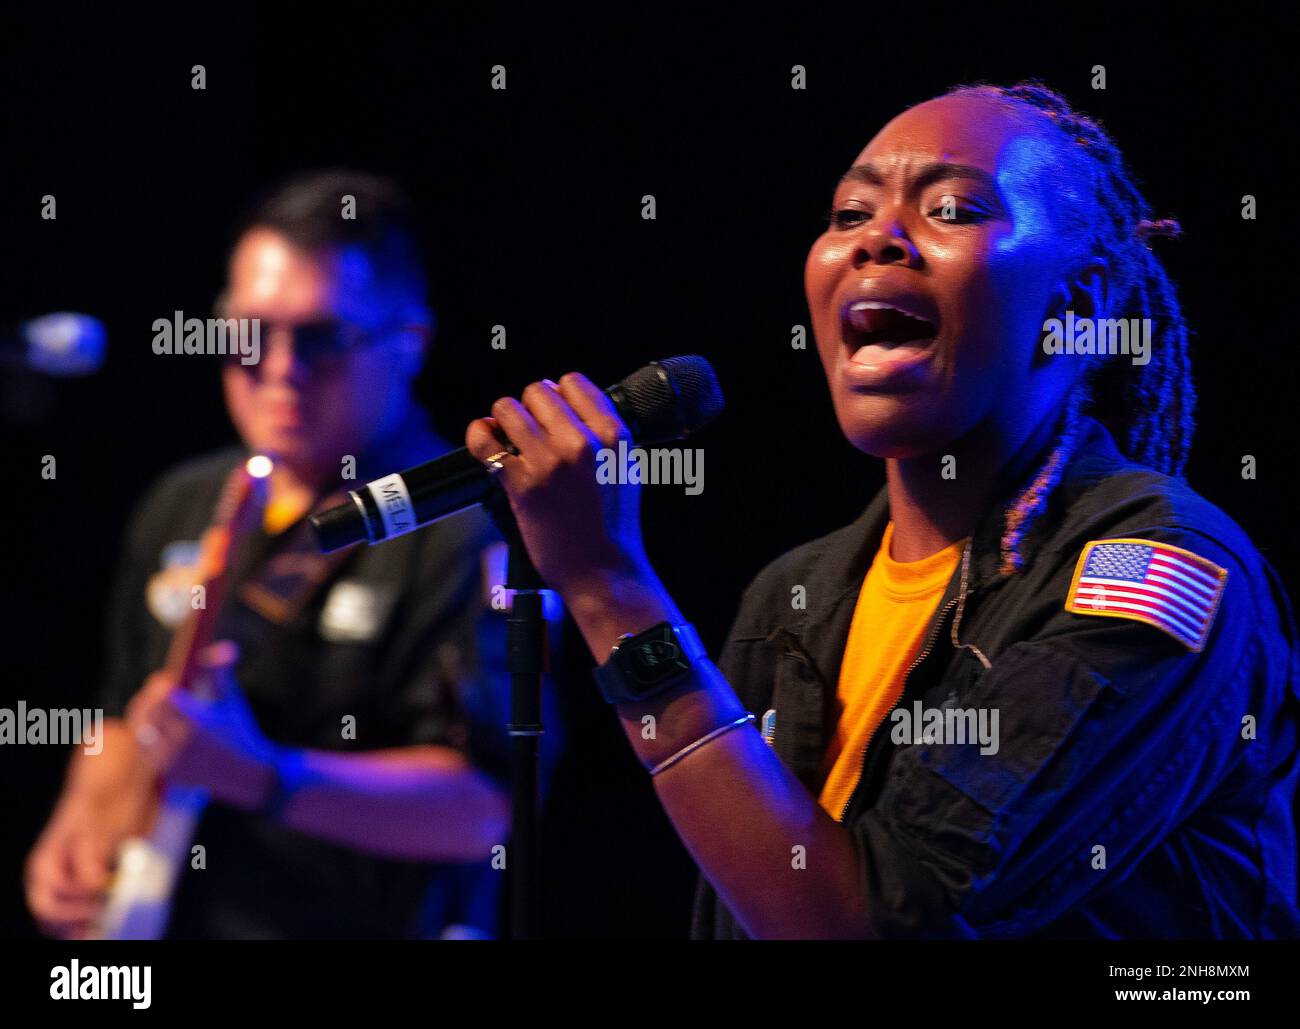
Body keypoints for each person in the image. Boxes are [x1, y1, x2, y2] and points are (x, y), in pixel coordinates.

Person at [463, 81, 1300, 938]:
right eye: (848, 211)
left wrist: (607, 586)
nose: (875, 240)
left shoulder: (1155, 571)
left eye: (951, 208)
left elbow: (883, 924)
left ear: (1075, 306)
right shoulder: (794, 594)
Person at [25, 170, 532, 939]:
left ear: (409, 344)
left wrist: (265, 777)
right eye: (249, 334)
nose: (280, 370)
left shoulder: (468, 527)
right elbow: (127, 713)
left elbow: (485, 811)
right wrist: (75, 825)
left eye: (322, 338)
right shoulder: (183, 499)